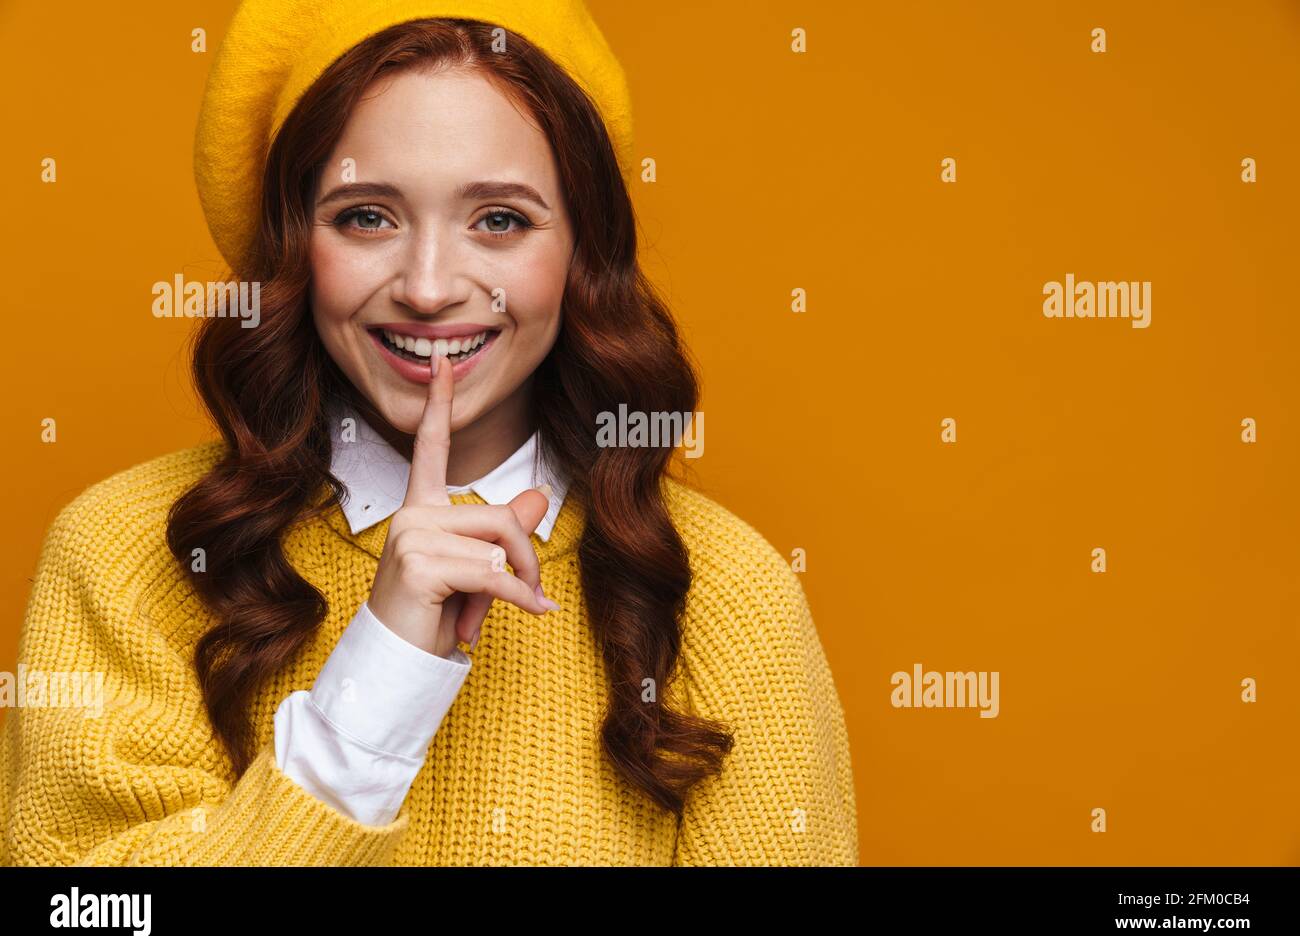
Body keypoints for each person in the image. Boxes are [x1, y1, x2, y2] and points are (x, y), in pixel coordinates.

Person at [0, 0, 858, 865]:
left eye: (501, 219)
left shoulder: (725, 593)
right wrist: (379, 681)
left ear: (582, 250)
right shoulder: (127, 555)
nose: (429, 285)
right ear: (294, 246)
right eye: (367, 215)